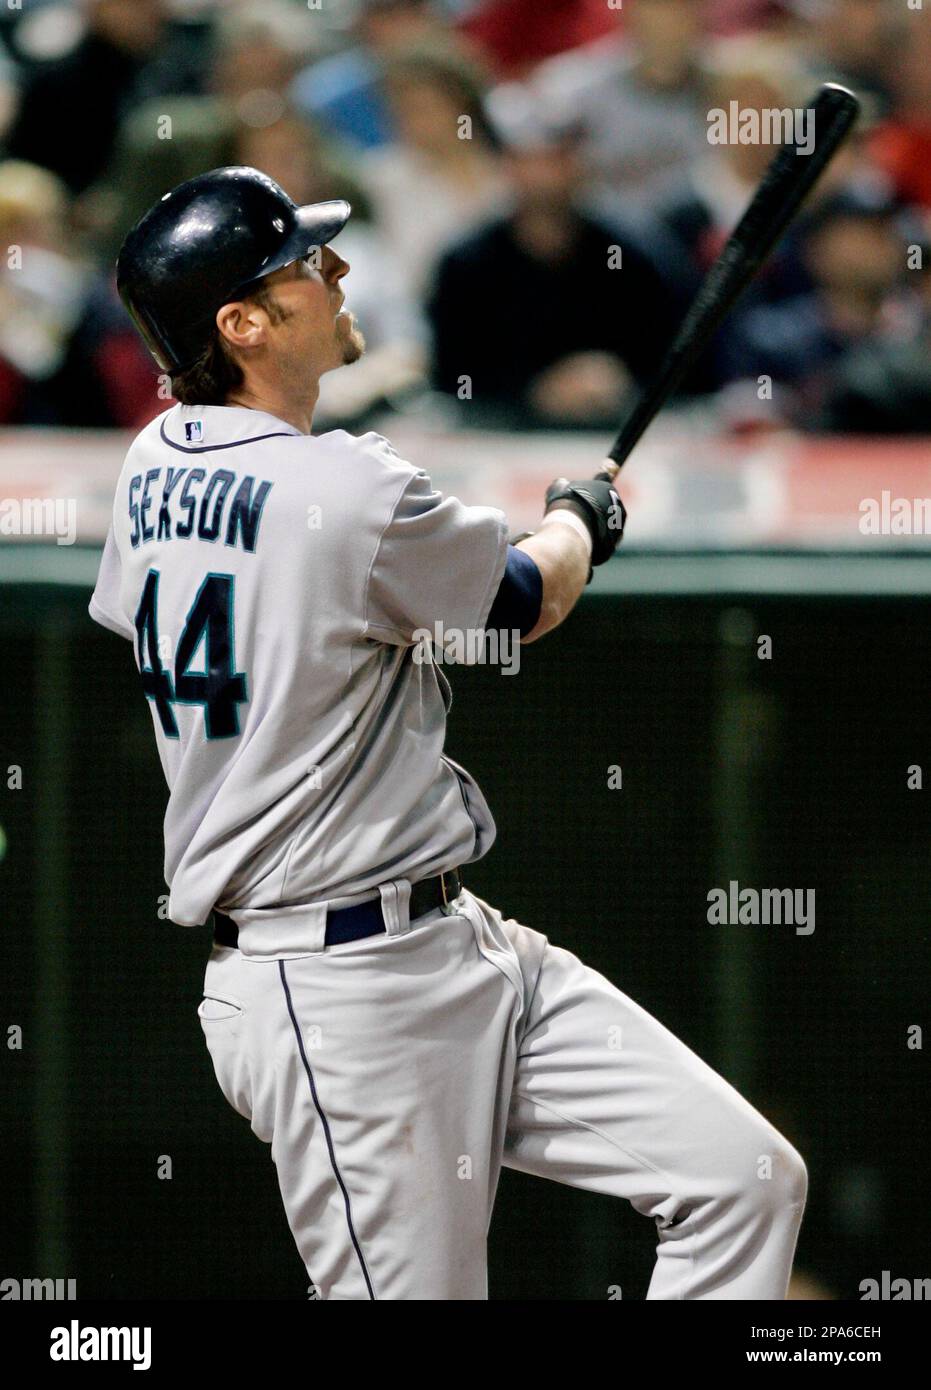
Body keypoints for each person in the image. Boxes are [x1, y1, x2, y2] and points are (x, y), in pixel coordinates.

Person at [89, 165, 808, 1301]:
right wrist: (583, 517)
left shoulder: (150, 463)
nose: (335, 274)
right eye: (302, 268)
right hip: (337, 988)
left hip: (452, 938)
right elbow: (526, 602)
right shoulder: (345, 485)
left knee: (742, 1177)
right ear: (242, 324)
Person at [427, 91, 682, 427]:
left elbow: (683, 366)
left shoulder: (634, 254)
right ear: (505, 165)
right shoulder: (467, 264)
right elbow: (450, 378)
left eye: (556, 159)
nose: (542, 176)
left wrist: (620, 383)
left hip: (620, 433)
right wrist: (533, 391)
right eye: (526, 160)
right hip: (502, 438)